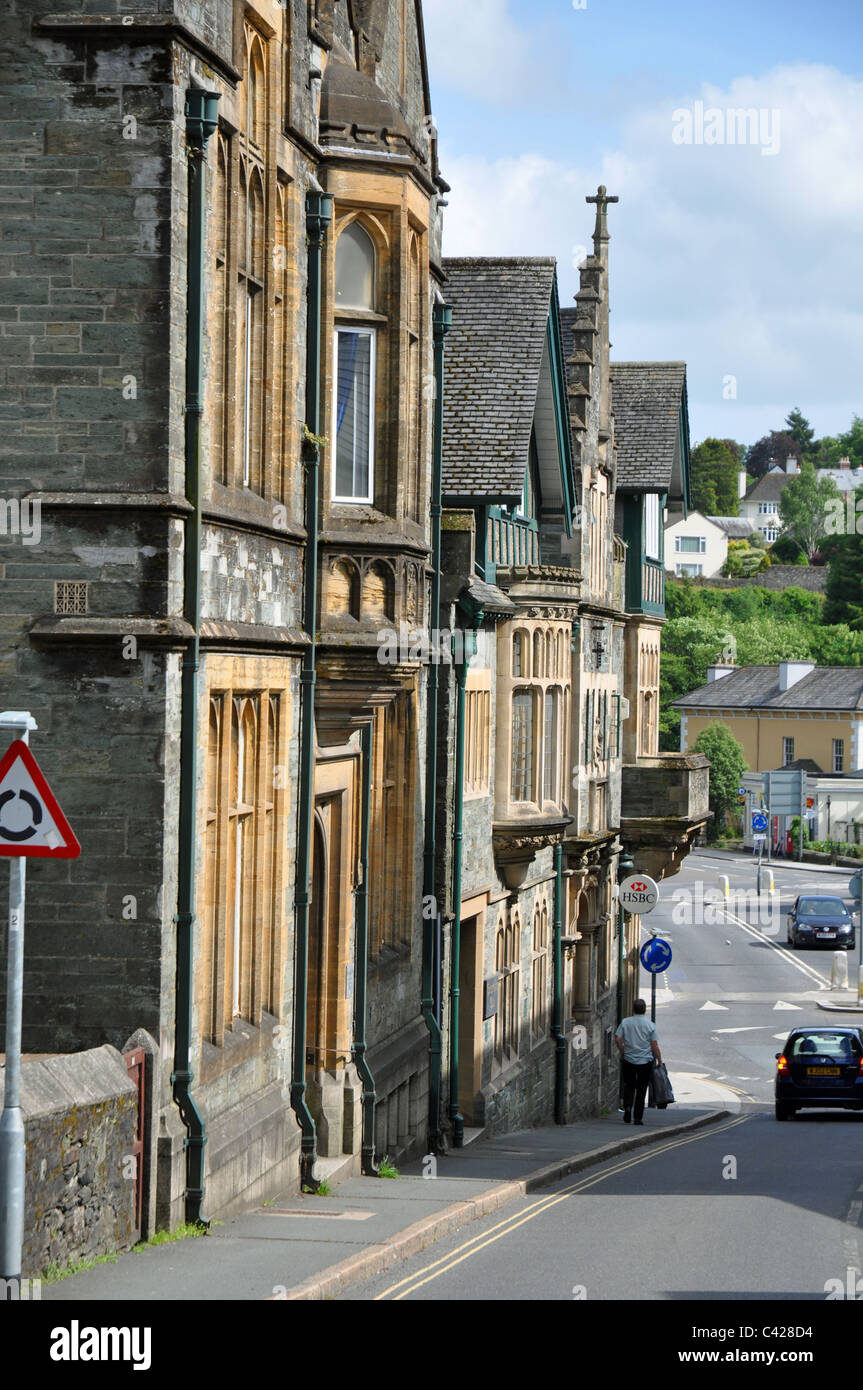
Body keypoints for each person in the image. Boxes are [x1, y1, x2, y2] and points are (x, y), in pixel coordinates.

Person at [615, 998, 662, 1126]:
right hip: (645, 1061)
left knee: (629, 1086)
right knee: (641, 1090)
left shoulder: (625, 1022)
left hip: (629, 1059)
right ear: (645, 1010)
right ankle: (638, 1118)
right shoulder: (650, 1025)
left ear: (633, 1009)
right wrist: (660, 1060)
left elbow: (618, 1039)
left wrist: (622, 1051)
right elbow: (654, 1045)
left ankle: (628, 1107)